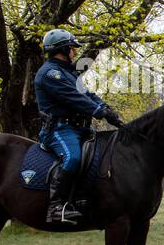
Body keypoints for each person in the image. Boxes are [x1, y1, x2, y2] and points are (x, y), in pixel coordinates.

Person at [33, 29, 126, 224]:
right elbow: (74, 99)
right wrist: (100, 113)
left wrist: (106, 108)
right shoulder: (50, 74)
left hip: (80, 129)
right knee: (72, 157)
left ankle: (83, 199)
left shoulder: (68, 72)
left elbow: (88, 95)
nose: (75, 52)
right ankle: (56, 206)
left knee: (100, 157)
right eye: (73, 49)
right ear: (64, 49)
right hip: (59, 130)